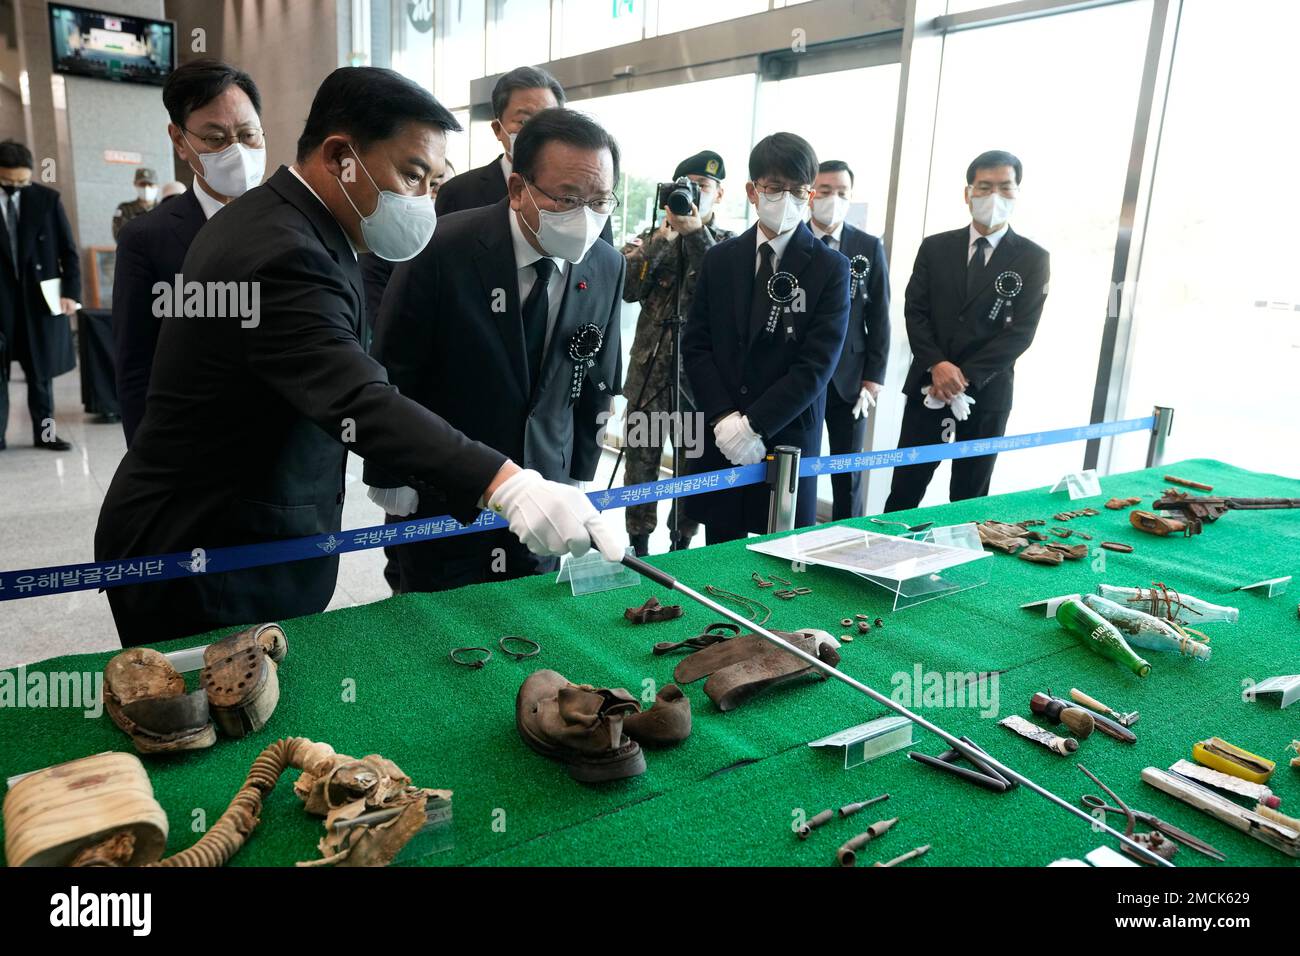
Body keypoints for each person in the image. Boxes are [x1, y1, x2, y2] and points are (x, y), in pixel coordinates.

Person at [94, 67, 619, 647]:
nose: (423, 200)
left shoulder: (300, 226)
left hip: (246, 538)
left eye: (433, 182)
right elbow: (359, 396)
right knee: (210, 726)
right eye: (412, 175)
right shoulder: (284, 251)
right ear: (342, 155)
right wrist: (507, 483)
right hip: (205, 554)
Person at [365, 109, 624, 592]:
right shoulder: (441, 248)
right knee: (434, 628)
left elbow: (597, 381)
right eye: (567, 198)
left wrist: (578, 474)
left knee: (529, 625)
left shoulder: (606, 265)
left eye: (599, 200)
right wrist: (391, 475)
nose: (585, 217)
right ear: (518, 189)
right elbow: (395, 365)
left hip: (547, 495)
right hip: (445, 491)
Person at [682, 132, 850, 544]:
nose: (786, 199)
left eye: (797, 190)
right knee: (719, 553)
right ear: (752, 191)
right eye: (775, 188)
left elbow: (816, 364)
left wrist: (754, 426)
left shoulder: (831, 267)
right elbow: (697, 343)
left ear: (809, 195)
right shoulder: (720, 258)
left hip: (786, 436)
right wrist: (724, 420)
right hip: (720, 435)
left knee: (780, 558)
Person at [885, 149, 1050, 510]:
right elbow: (915, 312)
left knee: (969, 497)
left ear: (1017, 193)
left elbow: (1021, 331)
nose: (994, 196)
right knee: (904, 489)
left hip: (987, 393)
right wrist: (938, 365)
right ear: (968, 193)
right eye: (985, 186)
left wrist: (965, 377)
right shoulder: (935, 247)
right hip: (928, 387)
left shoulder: (1033, 258)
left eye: (1005, 187)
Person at [112, 59, 266, 447]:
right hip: (196, 450)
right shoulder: (147, 239)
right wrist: (148, 466)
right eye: (216, 138)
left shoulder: (303, 224)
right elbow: (136, 365)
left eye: (248, 135)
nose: (237, 151)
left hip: (288, 458)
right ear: (179, 141)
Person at [620, 149, 733, 555]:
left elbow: (724, 288)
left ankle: (682, 544)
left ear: (718, 196)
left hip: (696, 385)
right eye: (686, 187)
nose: (693, 194)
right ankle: (637, 542)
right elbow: (628, 288)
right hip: (648, 378)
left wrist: (693, 233)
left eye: (702, 187)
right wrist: (665, 238)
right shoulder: (653, 237)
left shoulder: (727, 246)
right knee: (640, 466)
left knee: (690, 469)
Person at [435, 64, 612, 245]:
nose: (538, 132)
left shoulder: (591, 196)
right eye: (524, 121)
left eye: (549, 120)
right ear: (498, 129)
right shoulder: (457, 192)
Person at [809, 160, 891, 519]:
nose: (833, 198)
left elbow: (880, 316)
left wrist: (874, 379)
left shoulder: (868, 246)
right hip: (802, 376)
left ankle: (850, 540)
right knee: (798, 471)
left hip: (851, 381)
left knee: (848, 471)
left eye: (841, 192)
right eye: (825, 191)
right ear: (810, 194)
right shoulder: (794, 239)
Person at [0, 139, 80, 452]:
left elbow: (68, 252)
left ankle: (45, 434)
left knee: (41, 375)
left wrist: (70, 293)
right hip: (2, 303)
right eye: (8, 181)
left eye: (22, 180)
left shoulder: (46, 200)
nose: (16, 187)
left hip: (38, 301)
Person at [111, 167, 159, 241]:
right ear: (135, 184)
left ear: (157, 185)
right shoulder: (125, 209)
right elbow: (120, 235)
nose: (146, 188)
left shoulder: (164, 208)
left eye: (150, 184)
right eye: (142, 184)